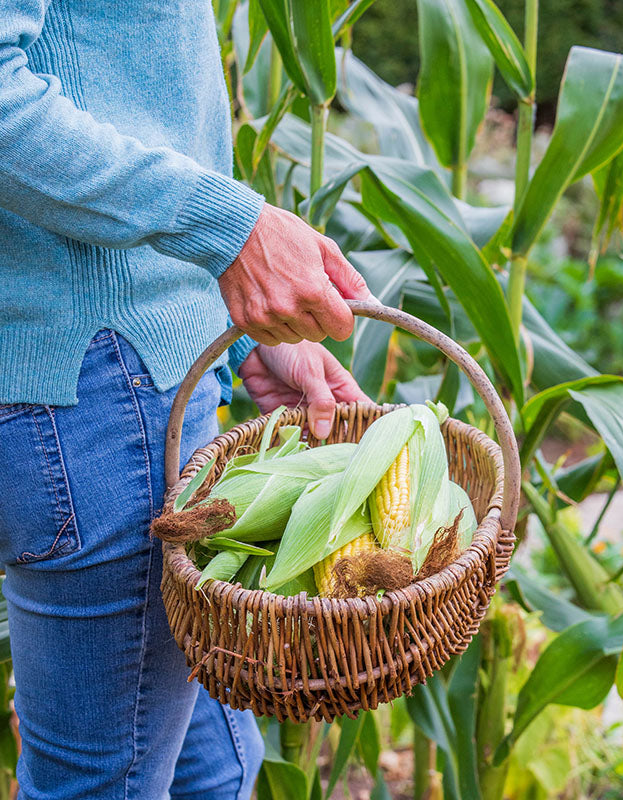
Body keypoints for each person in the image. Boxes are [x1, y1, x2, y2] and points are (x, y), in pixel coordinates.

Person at [0, 0, 371, 797]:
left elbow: (148, 91)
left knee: (215, 773)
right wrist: (231, 232)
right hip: (97, 387)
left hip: (125, 374)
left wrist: (240, 329)